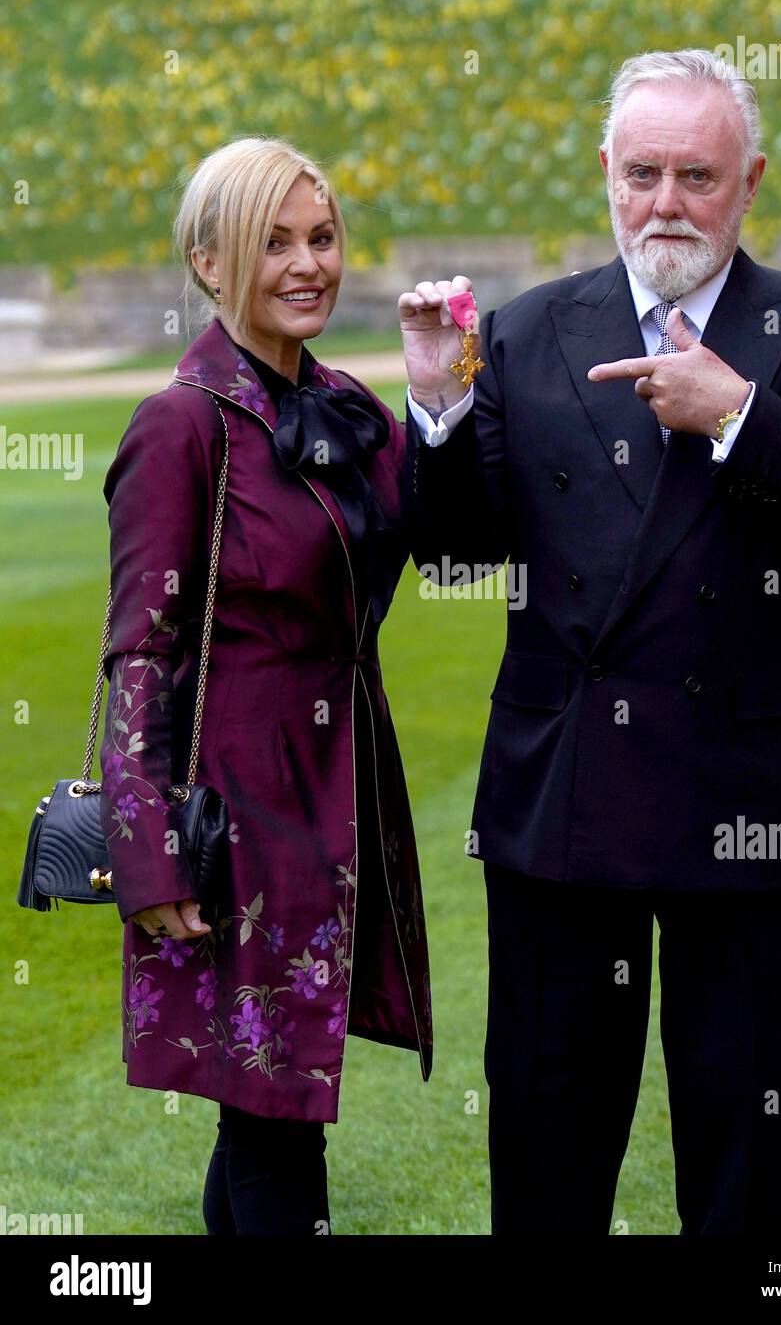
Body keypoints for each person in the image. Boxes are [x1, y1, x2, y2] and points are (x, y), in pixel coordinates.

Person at [402, 48, 781, 1234]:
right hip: (563, 803)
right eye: (642, 173)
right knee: (545, 1145)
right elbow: (453, 556)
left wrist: (742, 416)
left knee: (741, 1155)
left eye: (698, 174)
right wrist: (436, 409)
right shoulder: (527, 332)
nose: (666, 204)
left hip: (749, 806)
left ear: (750, 181)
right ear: (604, 172)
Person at [100, 136, 473, 1234]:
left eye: (321, 237)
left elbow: (447, 547)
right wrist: (147, 850)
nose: (308, 263)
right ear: (208, 262)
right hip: (238, 817)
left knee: (267, 1108)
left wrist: (437, 395)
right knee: (272, 1110)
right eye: (274, 242)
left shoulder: (351, 410)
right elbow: (139, 655)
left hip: (337, 795)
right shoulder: (180, 426)